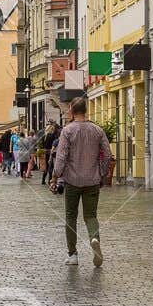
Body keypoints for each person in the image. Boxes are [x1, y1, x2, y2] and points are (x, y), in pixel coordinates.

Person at [50, 97, 113, 267]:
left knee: (71, 216)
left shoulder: (67, 131)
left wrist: (55, 176)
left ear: (71, 110)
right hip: (92, 180)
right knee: (91, 216)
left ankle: (72, 255)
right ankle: (94, 238)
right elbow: (107, 154)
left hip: (72, 180)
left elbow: (61, 156)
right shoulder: (97, 130)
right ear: (86, 110)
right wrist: (102, 172)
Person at [40, 121, 61, 186]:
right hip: (51, 152)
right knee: (51, 167)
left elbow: (42, 145)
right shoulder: (52, 136)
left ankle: (43, 180)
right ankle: (50, 180)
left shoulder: (44, 136)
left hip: (46, 151)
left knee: (47, 166)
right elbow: (54, 145)